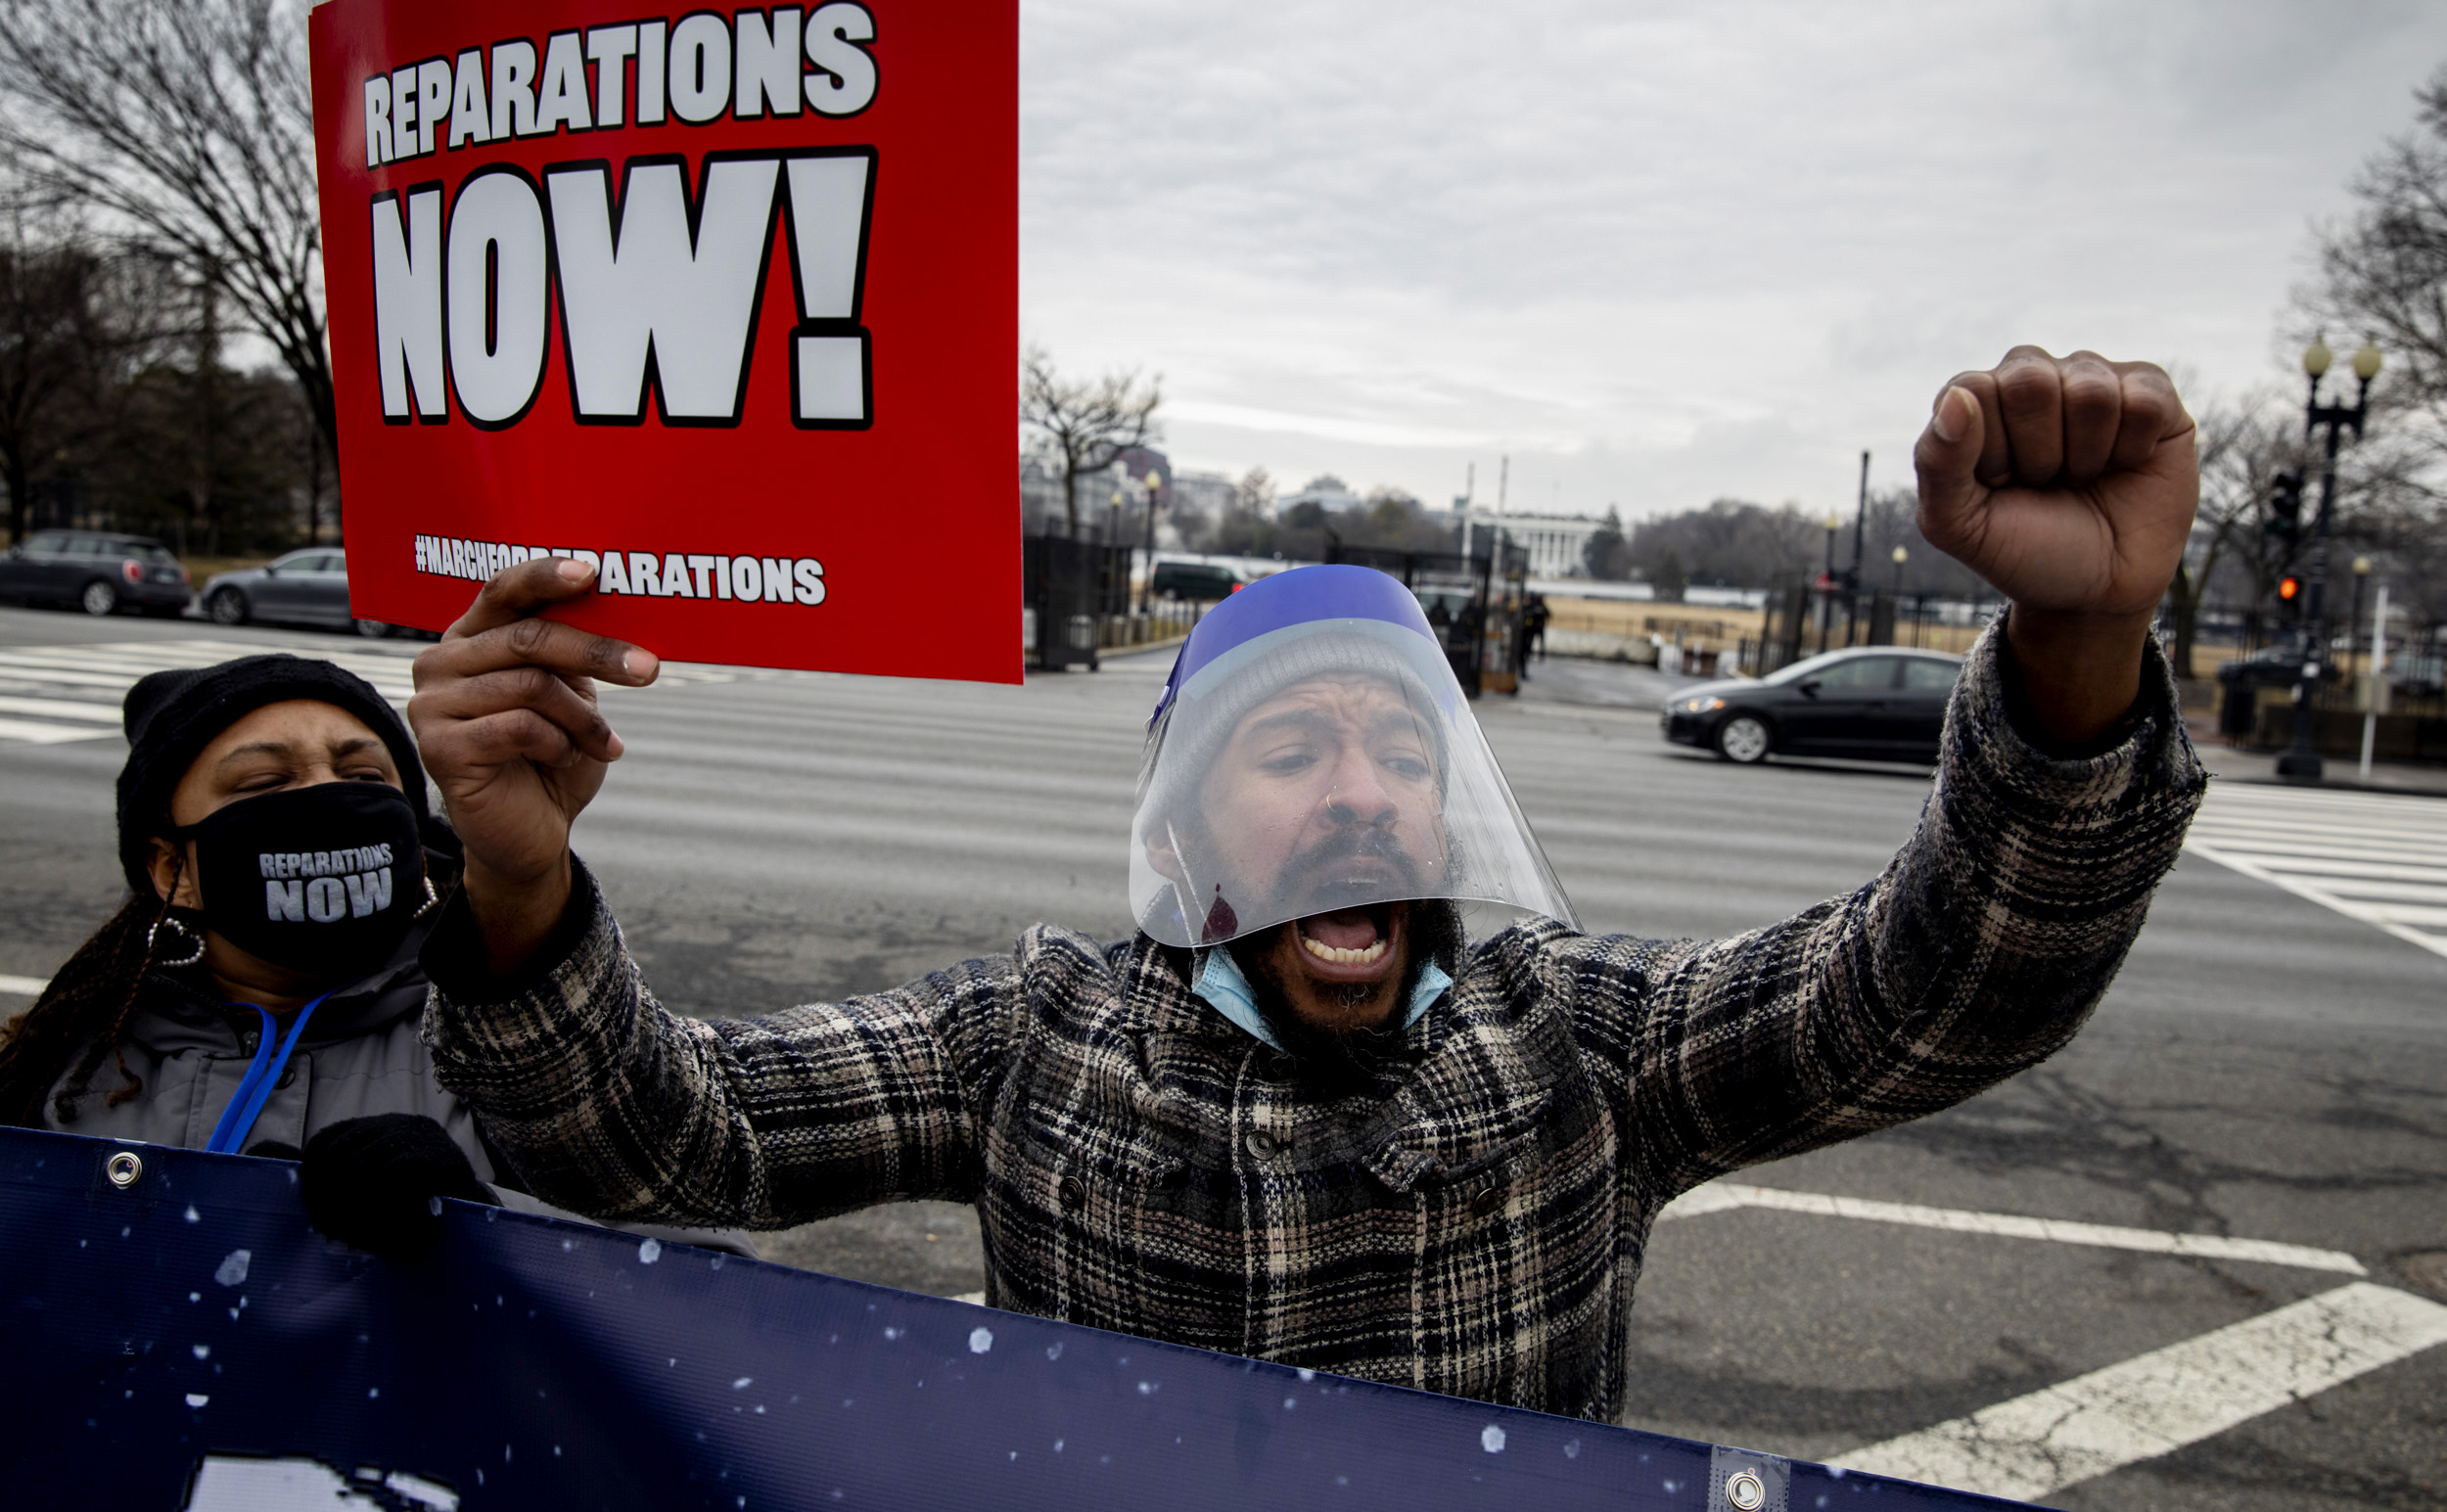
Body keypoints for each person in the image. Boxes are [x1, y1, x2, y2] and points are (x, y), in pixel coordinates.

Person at [395, 349, 2205, 1421]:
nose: (1362, 792)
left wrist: (2083, 645)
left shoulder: (1581, 1041)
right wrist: (520, 886)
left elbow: (1944, 989)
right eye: (1290, 752)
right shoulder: (1033, 1039)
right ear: (1185, 831)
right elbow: (671, 1144)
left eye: (1401, 751)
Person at [0, 653, 745, 1257]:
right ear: (172, 868)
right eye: (265, 782)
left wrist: (483, 1221)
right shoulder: (62, 1068)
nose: (327, 799)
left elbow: (712, 1299)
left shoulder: (511, 1043)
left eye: (363, 777)